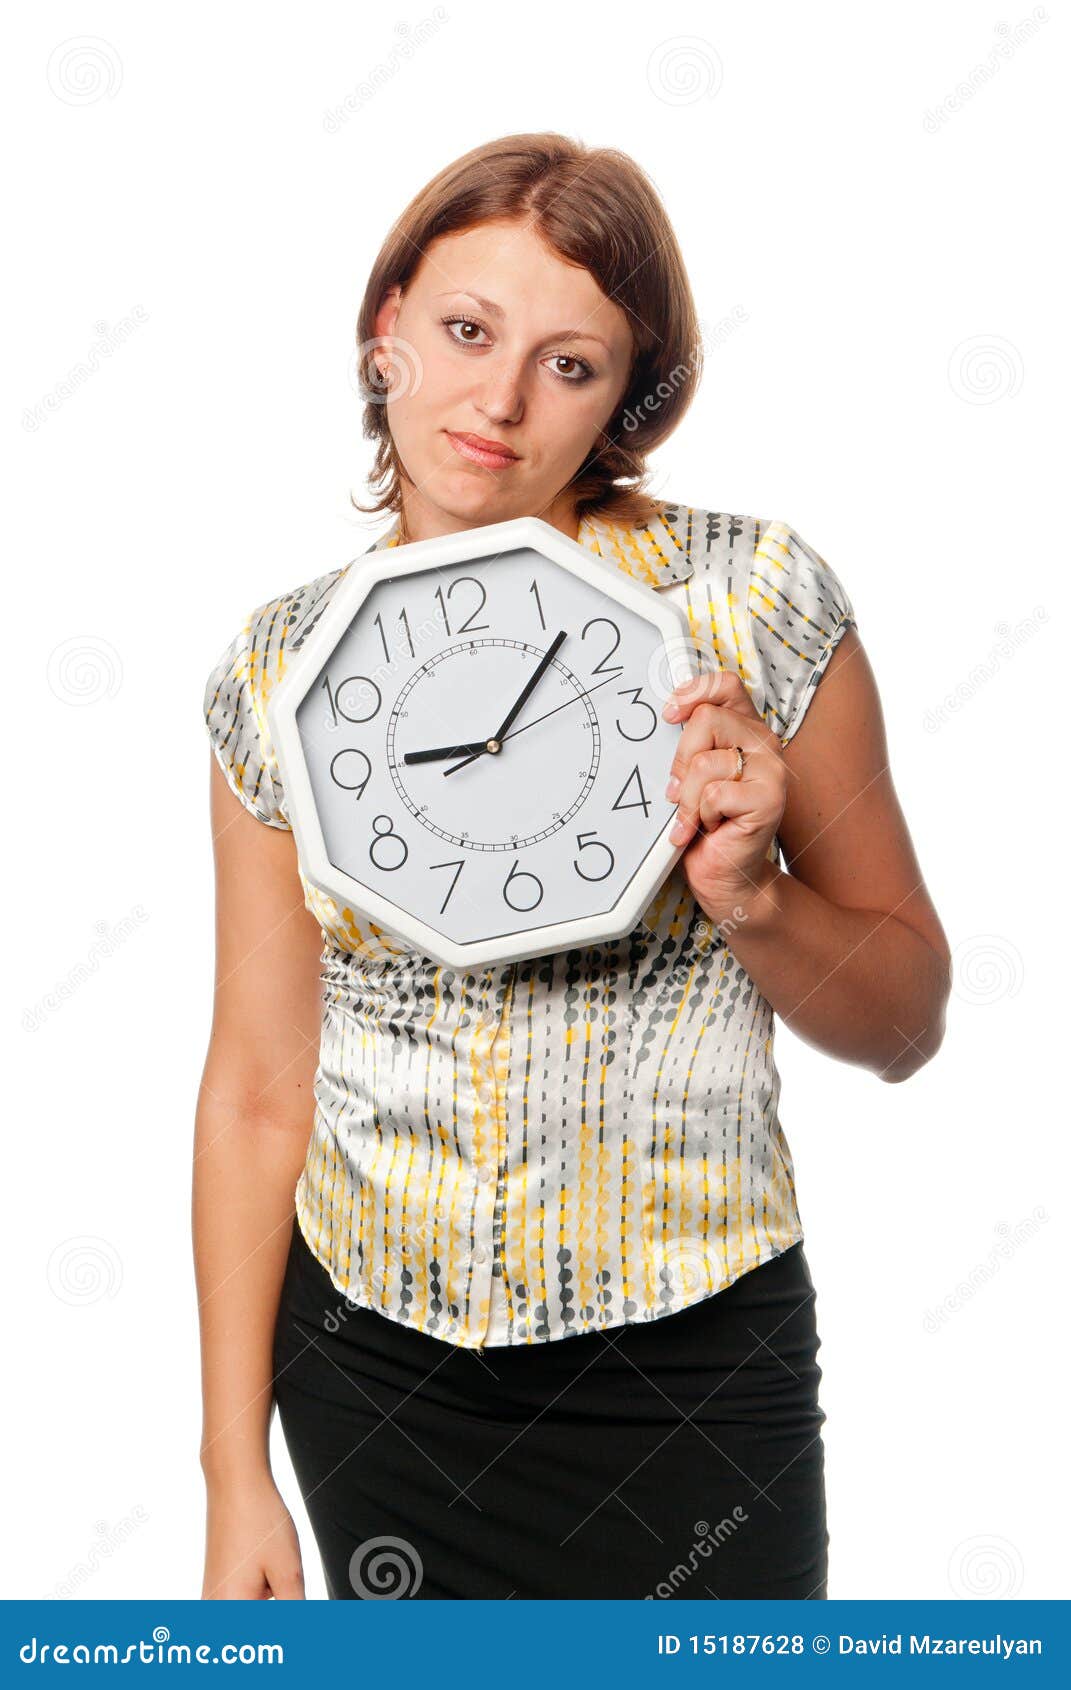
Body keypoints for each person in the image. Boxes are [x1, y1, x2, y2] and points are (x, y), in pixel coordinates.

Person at [195, 132, 951, 1601]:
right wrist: (236, 1470)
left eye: (571, 363)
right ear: (386, 329)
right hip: (374, 1374)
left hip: (691, 1365)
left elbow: (908, 1019)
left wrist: (756, 896)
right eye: (467, 332)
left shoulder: (753, 600)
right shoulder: (279, 671)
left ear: (627, 401)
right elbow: (257, 1086)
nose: (497, 400)